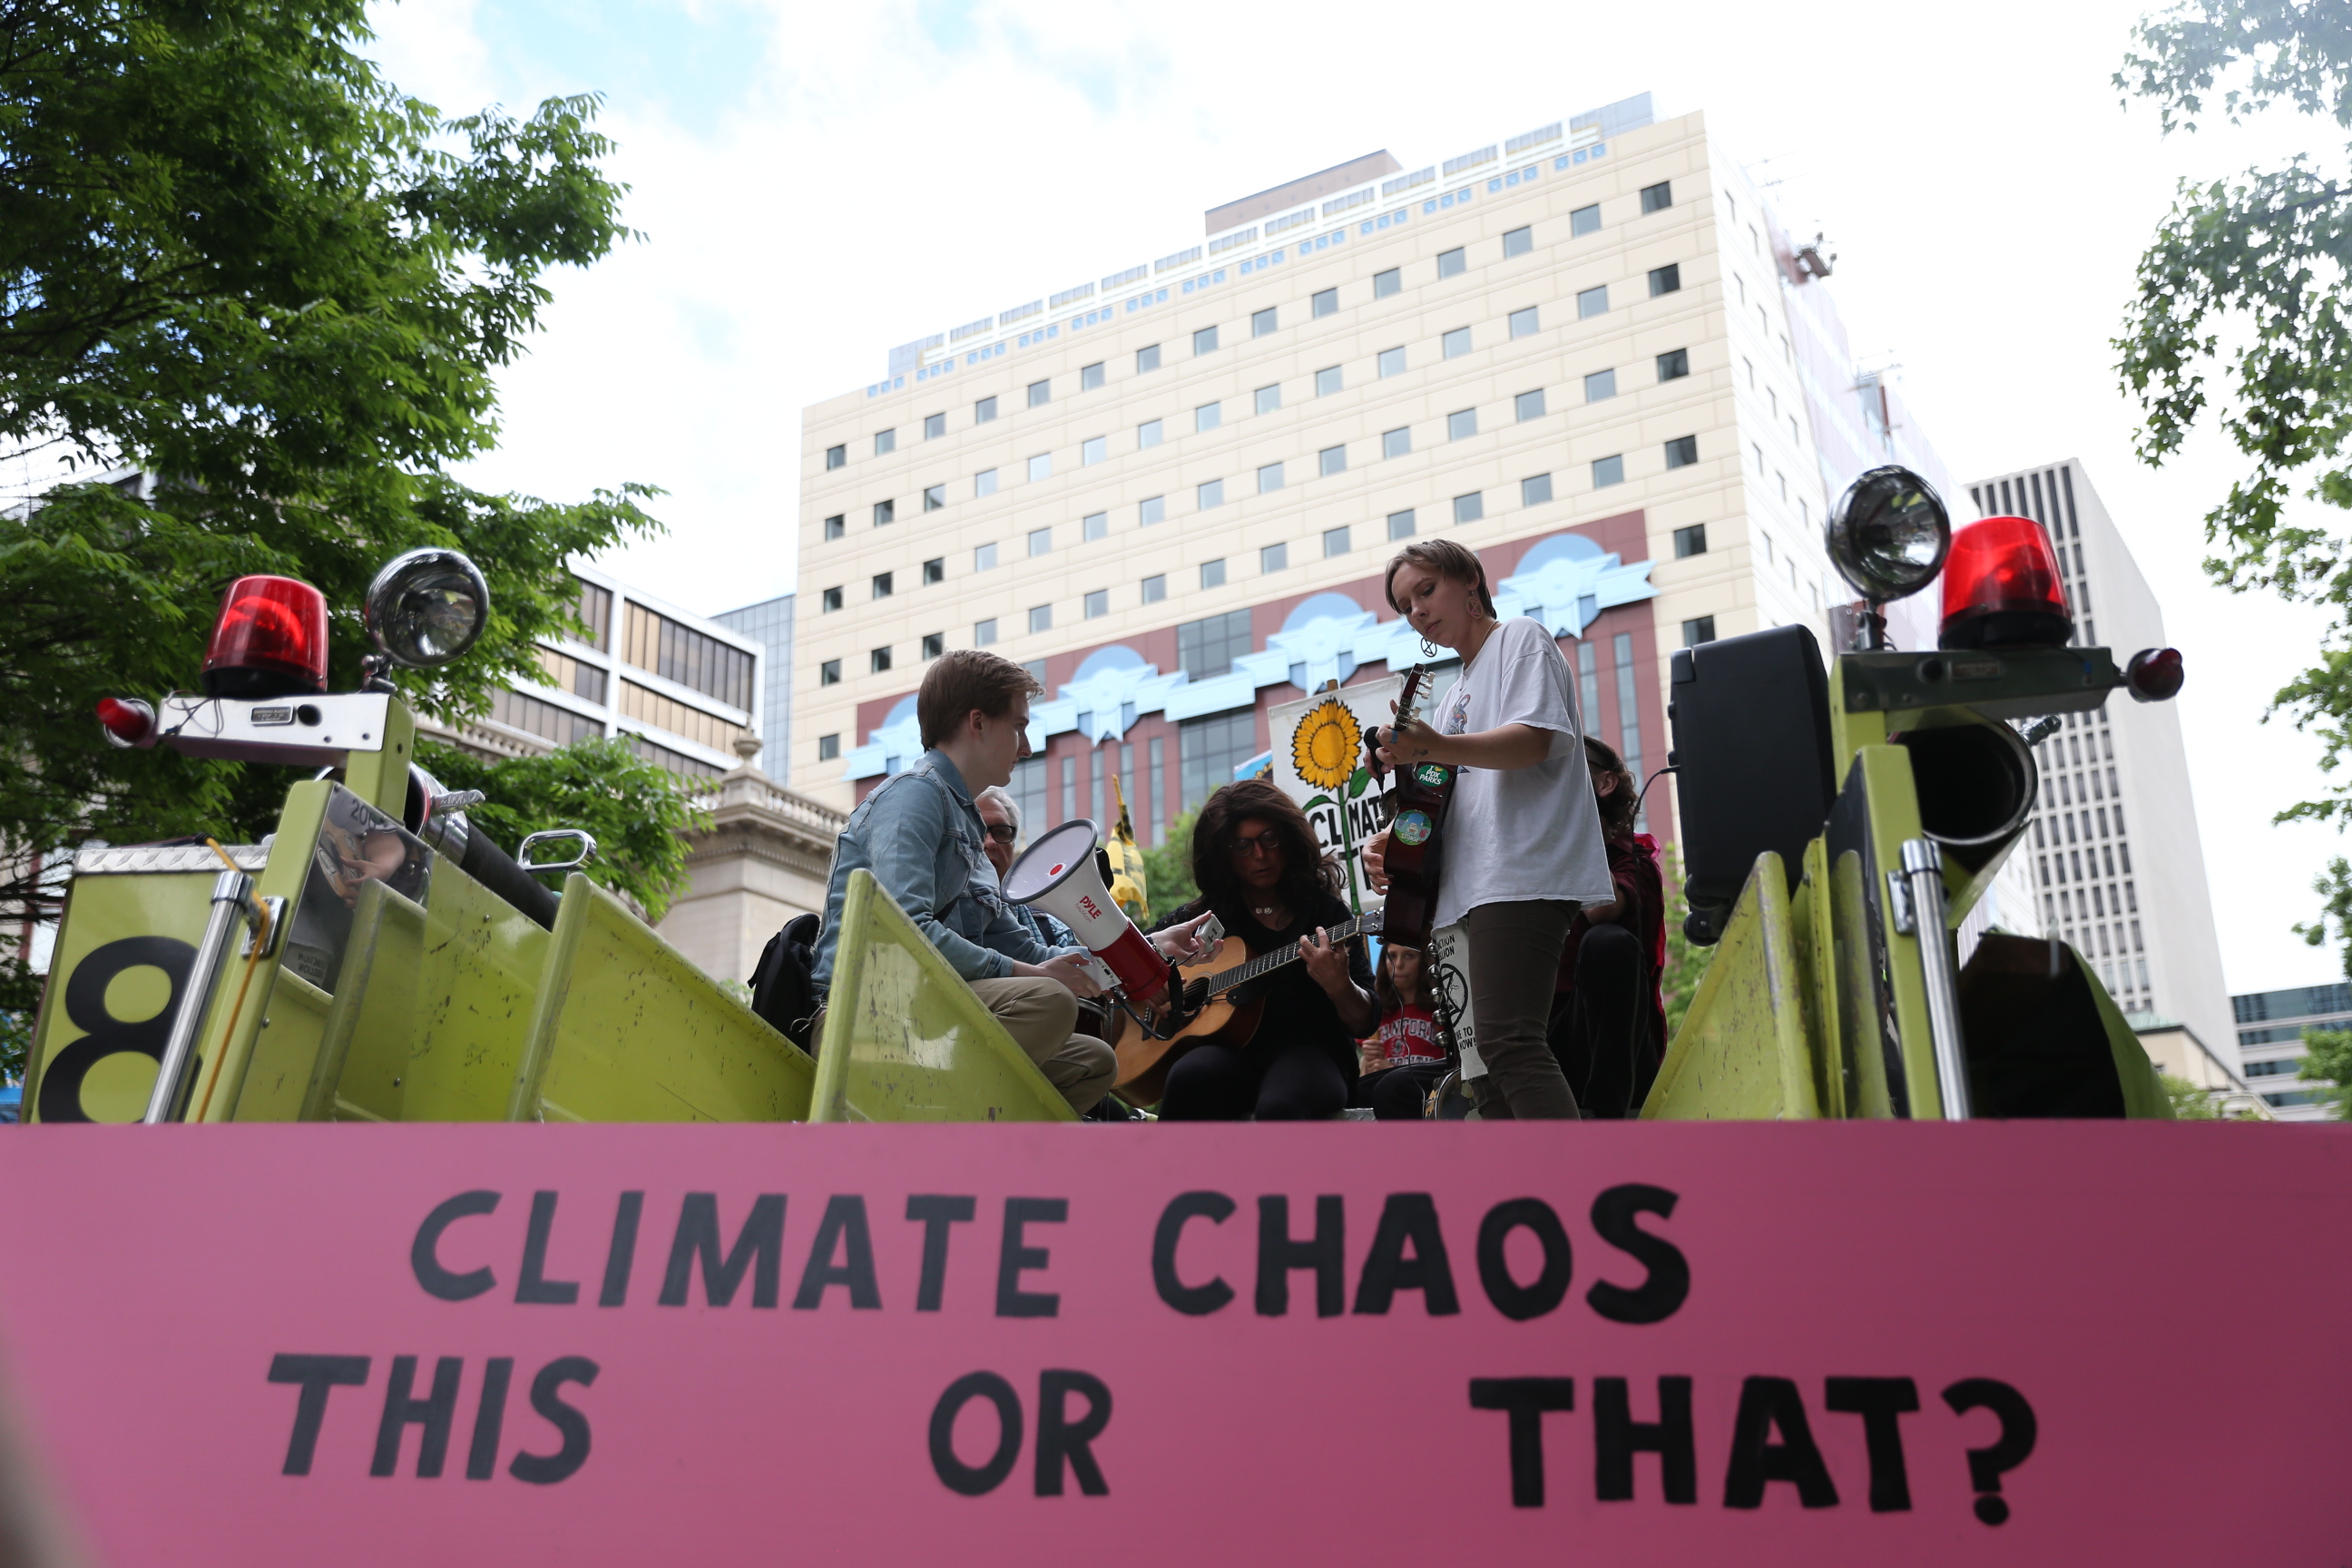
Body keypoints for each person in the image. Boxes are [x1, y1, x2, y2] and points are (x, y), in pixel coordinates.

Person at [809, 651, 1216, 1115]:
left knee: (1092, 1062)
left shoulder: (964, 824)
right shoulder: (913, 796)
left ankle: (958, 1136)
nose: (1025, 747)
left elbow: (1034, 956)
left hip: (922, 1019)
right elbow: (907, 932)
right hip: (860, 1018)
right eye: (1018, 727)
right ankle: (945, 1130)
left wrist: (1152, 947)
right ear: (977, 723)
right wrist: (1038, 978)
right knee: (1050, 1003)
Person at [1362, 537, 1615, 1120]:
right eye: (1405, 606)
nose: (1418, 611)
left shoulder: (1521, 639)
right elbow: (1447, 799)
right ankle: (1518, 1196)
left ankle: (1575, 1194)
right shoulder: (1453, 693)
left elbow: (1535, 740)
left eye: (1426, 590)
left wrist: (1434, 743)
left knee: (1510, 1044)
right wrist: (1396, 839)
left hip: (1520, 874)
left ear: (1470, 579)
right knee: (1482, 1073)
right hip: (1462, 892)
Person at [1152, 779, 1377, 1120]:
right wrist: (1159, 990)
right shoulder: (1204, 919)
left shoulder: (1326, 915)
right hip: (1226, 1054)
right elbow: (1135, 961)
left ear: (1289, 838)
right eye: (1242, 846)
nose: (1260, 855)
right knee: (1190, 1076)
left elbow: (1365, 1021)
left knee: (1283, 1105)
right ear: (1221, 855)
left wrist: (1339, 986)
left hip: (1311, 1054)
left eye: (1269, 839)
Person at [1548, 737, 1668, 1118]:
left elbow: (1603, 910)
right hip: (1543, 1046)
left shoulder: (1633, 861)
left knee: (1607, 943)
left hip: (1617, 1057)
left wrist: (1578, 830)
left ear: (1605, 783)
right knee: (1396, 1090)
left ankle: (1607, 1121)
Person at [1355, 942, 1450, 1119]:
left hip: (1428, 1097)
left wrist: (1391, 1070)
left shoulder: (1441, 1010)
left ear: (1424, 961)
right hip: (1380, 1095)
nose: (1398, 965)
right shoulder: (1374, 1012)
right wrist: (1369, 1065)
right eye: (1392, 956)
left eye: (1409, 956)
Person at [975, 785, 1073, 948]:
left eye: (1000, 832)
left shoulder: (1056, 933)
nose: (990, 843)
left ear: (1013, 844)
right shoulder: (931, 922)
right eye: (977, 830)